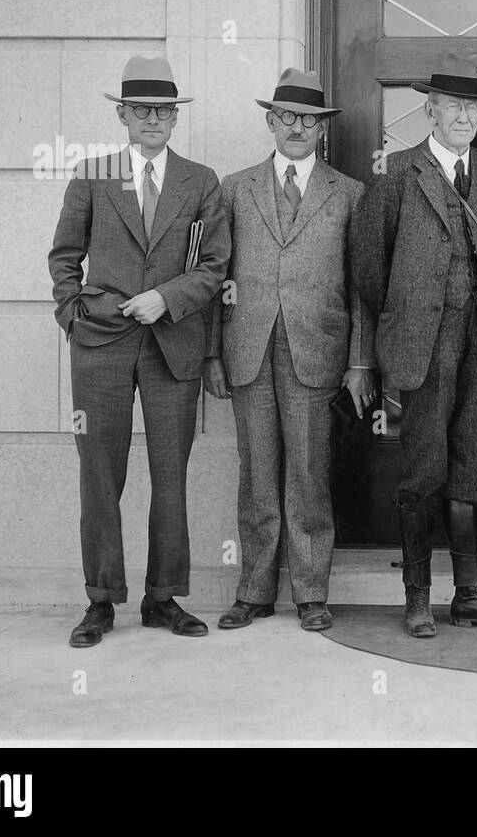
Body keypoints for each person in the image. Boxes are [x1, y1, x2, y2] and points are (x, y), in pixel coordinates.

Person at [48, 55, 228, 647]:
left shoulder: (200, 181)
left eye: (165, 110)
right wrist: (75, 316)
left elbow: (214, 265)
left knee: (170, 473)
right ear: (123, 114)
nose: (154, 118)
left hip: (173, 342)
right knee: (100, 473)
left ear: (175, 118)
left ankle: (162, 597)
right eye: (142, 109)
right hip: (101, 344)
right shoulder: (93, 174)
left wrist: (166, 298)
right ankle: (100, 600)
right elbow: (64, 257)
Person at [351, 51, 477, 638]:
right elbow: (370, 270)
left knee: (473, 465)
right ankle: (419, 595)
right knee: (422, 466)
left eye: (473, 107)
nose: (463, 116)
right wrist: (407, 317)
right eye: (452, 105)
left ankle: (471, 594)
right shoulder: (397, 172)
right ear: (429, 109)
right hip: (422, 344)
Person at [203, 69, 375, 633]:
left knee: (307, 474)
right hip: (247, 349)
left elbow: (359, 288)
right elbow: (212, 275)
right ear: (270, 122)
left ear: (322, 129)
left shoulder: (349, 193)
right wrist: (211, 355)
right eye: (287, 117)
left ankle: (310, 592)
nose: (298, 128)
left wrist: (358, 361)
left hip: (317, 352)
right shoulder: (233, 188)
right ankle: (253, 591)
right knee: (256, 473)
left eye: (310, 120)